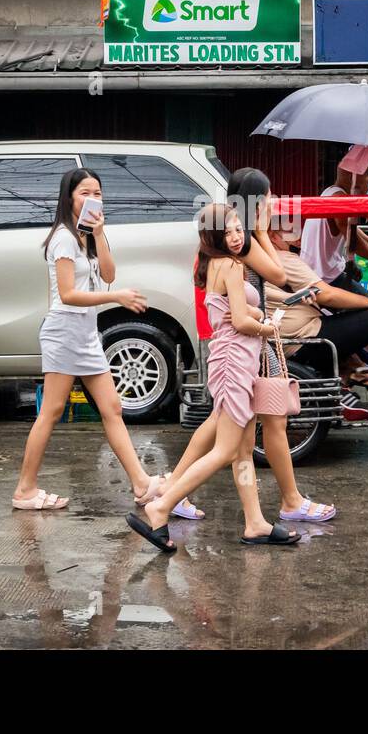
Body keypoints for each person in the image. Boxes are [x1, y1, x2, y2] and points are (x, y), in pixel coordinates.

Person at [125, 204, 298, 552]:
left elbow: (223, 309)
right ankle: (162, 505)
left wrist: (253, 312)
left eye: (239, 229)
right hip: (236, 364)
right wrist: (267, 325)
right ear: (214, 238)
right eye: (228, 232)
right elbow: (240, 322)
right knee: (226, 450)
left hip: (232, 363)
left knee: (244, 451)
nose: (236, 237)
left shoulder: (216, 265)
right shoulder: (232, 265)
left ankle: (255, 523)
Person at [171, 168, 336, 526]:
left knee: (226, 428)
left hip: (242, 340)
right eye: (269, 194)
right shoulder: (241, 239)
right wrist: (261, 230)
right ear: (256, 199)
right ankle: (289, 502)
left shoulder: (227, 232)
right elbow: (279, 275)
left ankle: (173, 491)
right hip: (251, 343)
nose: (275, 200)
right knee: (266, 424)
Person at [12, 168, 163, 511]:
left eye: (97, 192)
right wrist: (117, 298)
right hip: (64, 331)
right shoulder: (63, 238)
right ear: (69, 198)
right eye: (84, 192)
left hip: (85, 334)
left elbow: (109, 275)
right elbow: (67, 294)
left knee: (112, 408)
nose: (93, 198)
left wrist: (100, 233)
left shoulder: (87, 237)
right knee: (51, 411)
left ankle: (141, 483)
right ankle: (24, 489)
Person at [267, 220, 368, 417]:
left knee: (349, 325)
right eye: (288, 229)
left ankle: (343, 391)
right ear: (272, 235)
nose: (297, 232)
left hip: (294, 333)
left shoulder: (270, 258)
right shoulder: (283, 259)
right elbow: (327, 294)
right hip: (303, 336)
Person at [301, 148, 368, 296]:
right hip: (324, 279)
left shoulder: (331, 192)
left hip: (324, 273)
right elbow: (353, 240)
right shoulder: (338, 200)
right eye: (366, 173)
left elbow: (352, 230)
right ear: (353, 177)